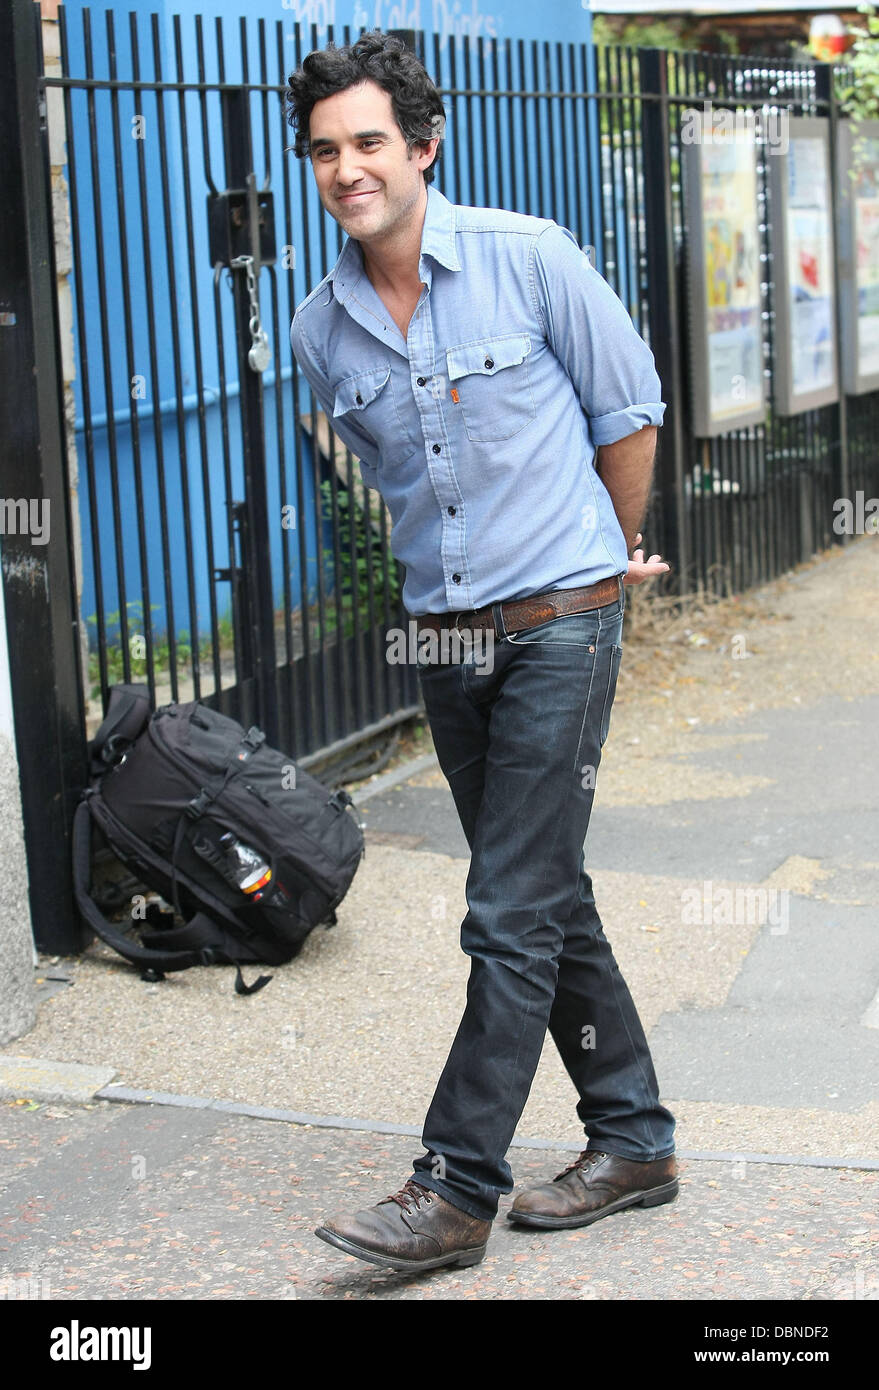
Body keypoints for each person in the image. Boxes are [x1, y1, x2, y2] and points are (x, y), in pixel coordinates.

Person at [285, 30, 678, 1275]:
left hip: (564, 621)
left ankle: (454, 1187)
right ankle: (634, 1136)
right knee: (545, 889)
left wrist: (607, 551)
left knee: (506, 907)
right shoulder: (322, 328)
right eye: (326, 151)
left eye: (368, 142)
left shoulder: (530, 257)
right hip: (444, 644)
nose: (348, 168)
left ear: (421, 145)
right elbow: (401, 491)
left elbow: (630, 413)